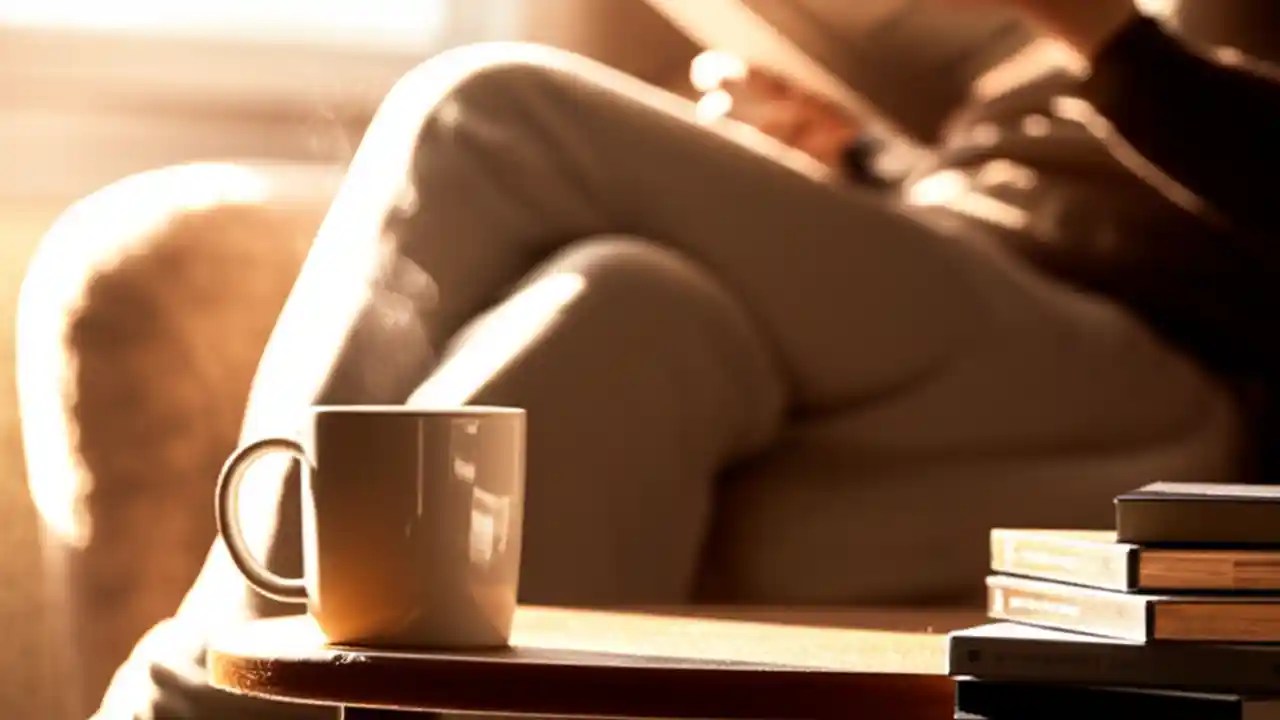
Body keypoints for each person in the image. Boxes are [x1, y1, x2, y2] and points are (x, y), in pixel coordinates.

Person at [96, 1, 1275, 717]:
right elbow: (1051, 190)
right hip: (962, 279)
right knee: (626, 311)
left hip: (1166, 367)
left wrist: (1107, 40)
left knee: (487, 110)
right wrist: (866, 159)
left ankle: (212, 685)